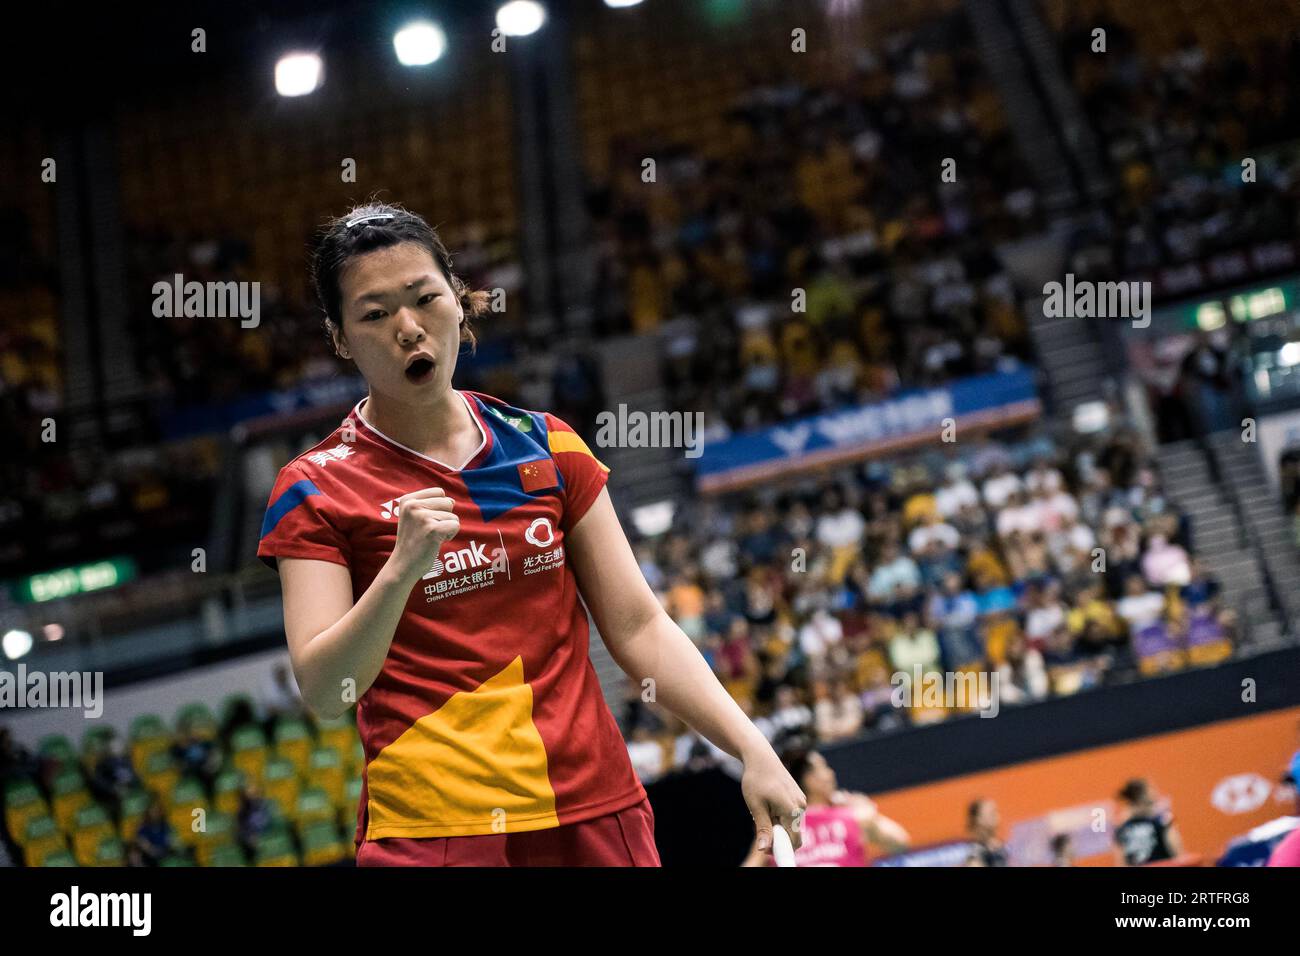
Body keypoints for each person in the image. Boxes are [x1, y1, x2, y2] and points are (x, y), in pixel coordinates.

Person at [257, 203, 804, 866]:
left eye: (425, 299)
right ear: (340, 339)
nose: (408, 328)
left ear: (459, 304)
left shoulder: (545, 445)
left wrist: (750, 746)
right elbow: (325, 688)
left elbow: (637, 627)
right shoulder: (315, 488)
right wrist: (399, 572)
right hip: (433, 832)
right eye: (374, 315)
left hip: (590, 809)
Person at [740, 736, 909, 866]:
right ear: (809, 779)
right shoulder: (780, 828)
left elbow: (900, 842)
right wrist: (865, 810)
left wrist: (867, 814)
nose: (831, 774)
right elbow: (899, 842)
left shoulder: (852, 815)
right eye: (824, 768)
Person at [1114, 778, 1183, 866]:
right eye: (1150, 803)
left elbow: (1178, 855)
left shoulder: (1122, 828)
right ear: (1138, 800)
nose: (1153, 806)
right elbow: (1178, 853)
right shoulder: (1161, 821)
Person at [965, 798, 1008, 866]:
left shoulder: (1001, 847)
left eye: (996, 811)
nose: (997, 816)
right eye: (992, 813)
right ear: (978, 819)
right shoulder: (975, 856)